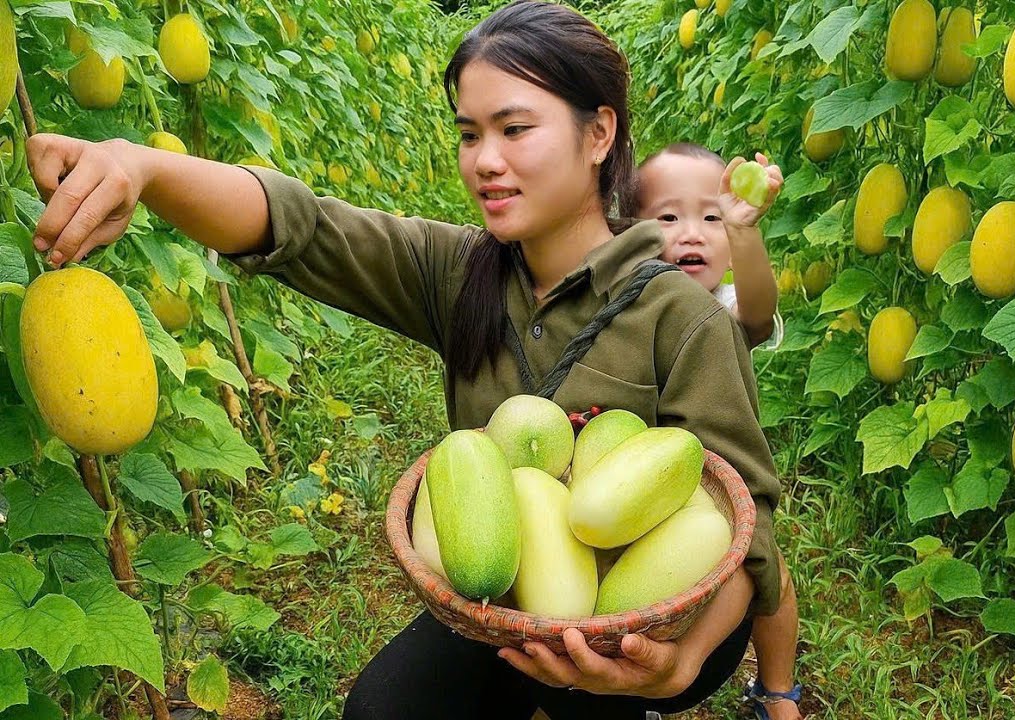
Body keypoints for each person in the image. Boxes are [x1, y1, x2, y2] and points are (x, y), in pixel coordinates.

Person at [24, 2, 783, 718]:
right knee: (382, 709)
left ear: (598, 134)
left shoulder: (681, 316)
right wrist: (143, 169)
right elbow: (301, 228)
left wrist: (685, 664)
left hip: (641, 624)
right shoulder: (457, 271)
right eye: (468, 133)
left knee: (597, 703)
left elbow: (740, 510)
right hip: (500, 595)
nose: (485, 160)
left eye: (514, 129)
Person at [633, 144, 802, 720]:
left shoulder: (726, 307)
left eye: (711, 218)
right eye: (667, 217)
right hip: (652, 482)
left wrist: (746, 230)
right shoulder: (627, 310)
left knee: (767, 571)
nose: (692, 235)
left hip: (725, 480)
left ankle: (776, 689)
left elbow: (760, 311)